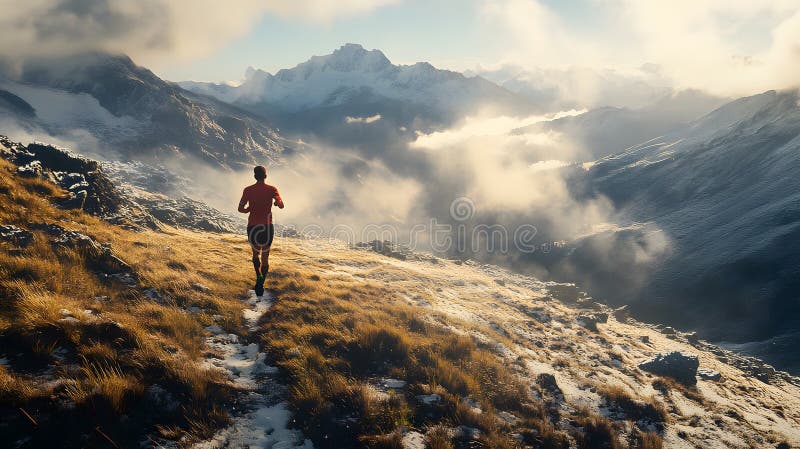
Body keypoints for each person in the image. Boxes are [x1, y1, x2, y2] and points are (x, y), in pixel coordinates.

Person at [238, 165, 284, 296]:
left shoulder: (247, 190)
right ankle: (261, 283)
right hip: (267, 227)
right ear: (265, 176)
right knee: (265, 257)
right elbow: (281, 205)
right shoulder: (272, 189)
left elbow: (240, 209)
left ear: (254, 176)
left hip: (253, 227)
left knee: (255, 254)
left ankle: (259, 276)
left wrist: (249, 209)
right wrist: (276, 203)